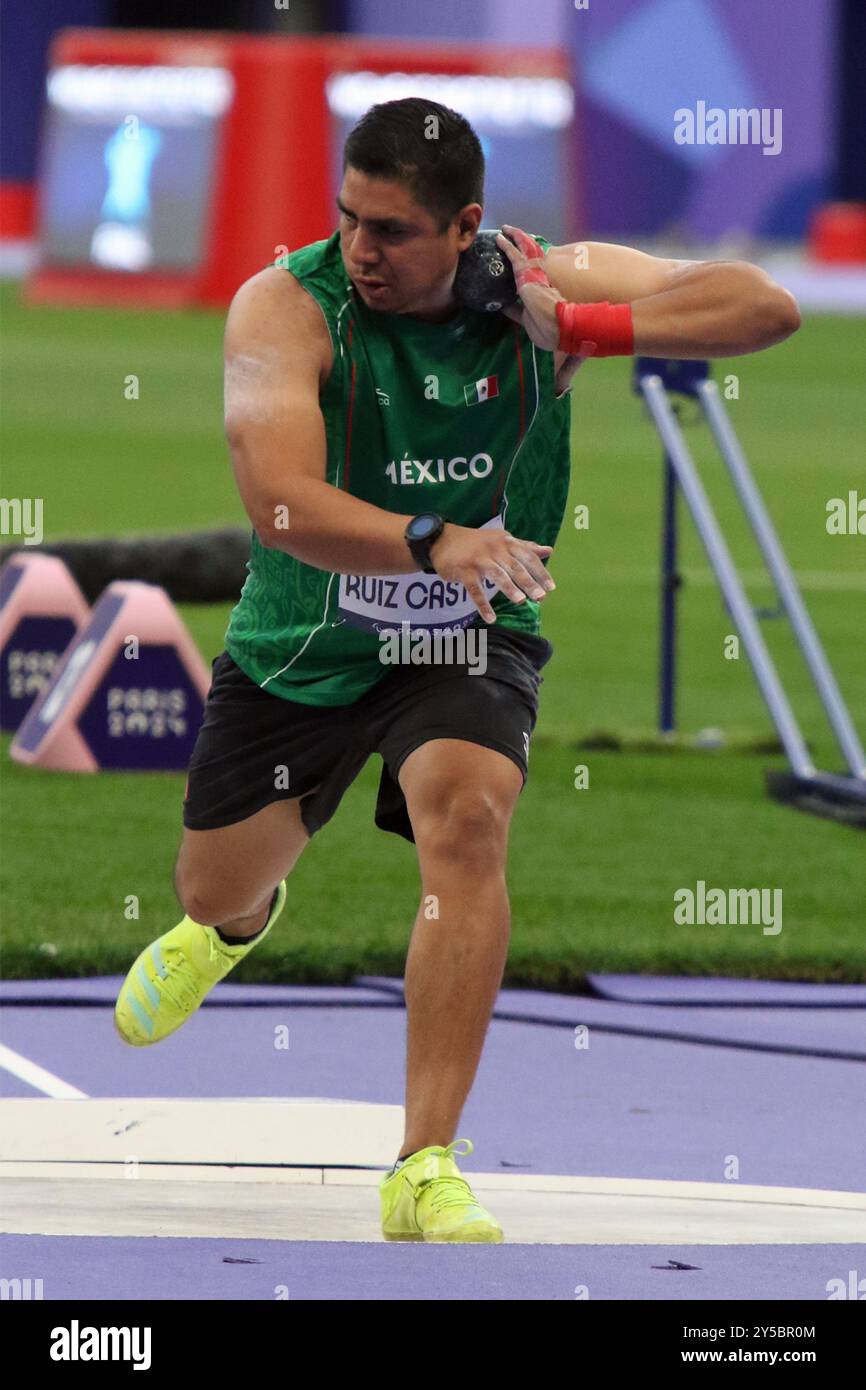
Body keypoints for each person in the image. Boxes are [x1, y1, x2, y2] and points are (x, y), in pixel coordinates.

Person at [115, 97, 800, 1243]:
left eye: (388, 230)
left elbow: (763, 305)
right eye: (347, 219)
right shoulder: (287, 306)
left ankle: (422, 1161)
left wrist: (575, 325)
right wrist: (435, 537)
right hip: (309, 633)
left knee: (468, 816)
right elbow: (278, 503)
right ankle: (235, 927)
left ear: (464, 226)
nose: (359, 250)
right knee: (211, 885)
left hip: (469, 629)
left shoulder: (540, 278)